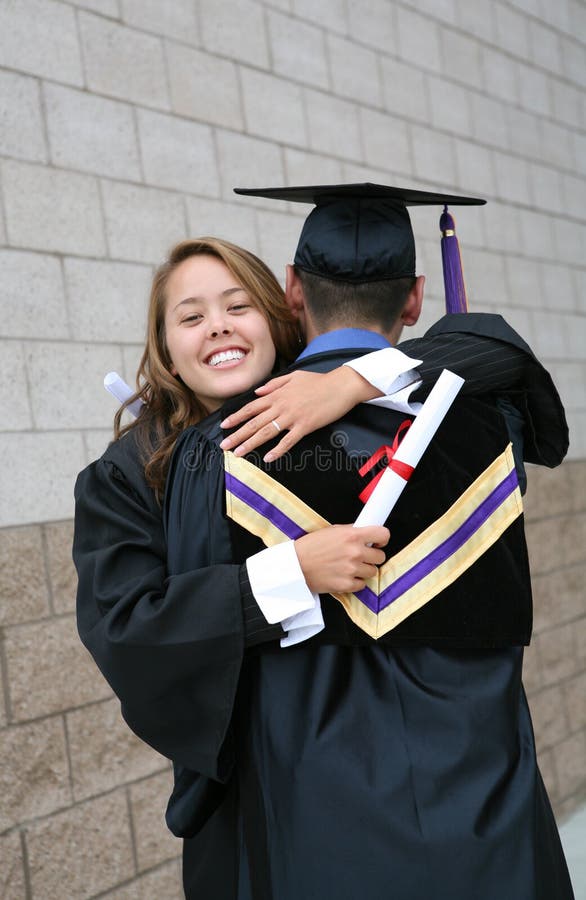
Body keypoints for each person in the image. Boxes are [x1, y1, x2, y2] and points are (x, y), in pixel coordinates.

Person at [164, 185, 573, 899]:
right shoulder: (492, 422)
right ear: (415, 300)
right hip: (488, 821)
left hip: (312, 830)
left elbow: (194, 653)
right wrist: (373, 377)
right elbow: (507, 357)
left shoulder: (218, 449)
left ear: (292, 291)